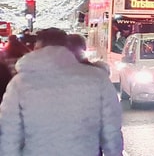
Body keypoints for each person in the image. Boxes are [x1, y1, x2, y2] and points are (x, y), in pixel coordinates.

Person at [0, 27, 124, 155]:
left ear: (37, 48)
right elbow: (111, 130)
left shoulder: (20, 82)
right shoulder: (97, 78)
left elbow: (10, 133)